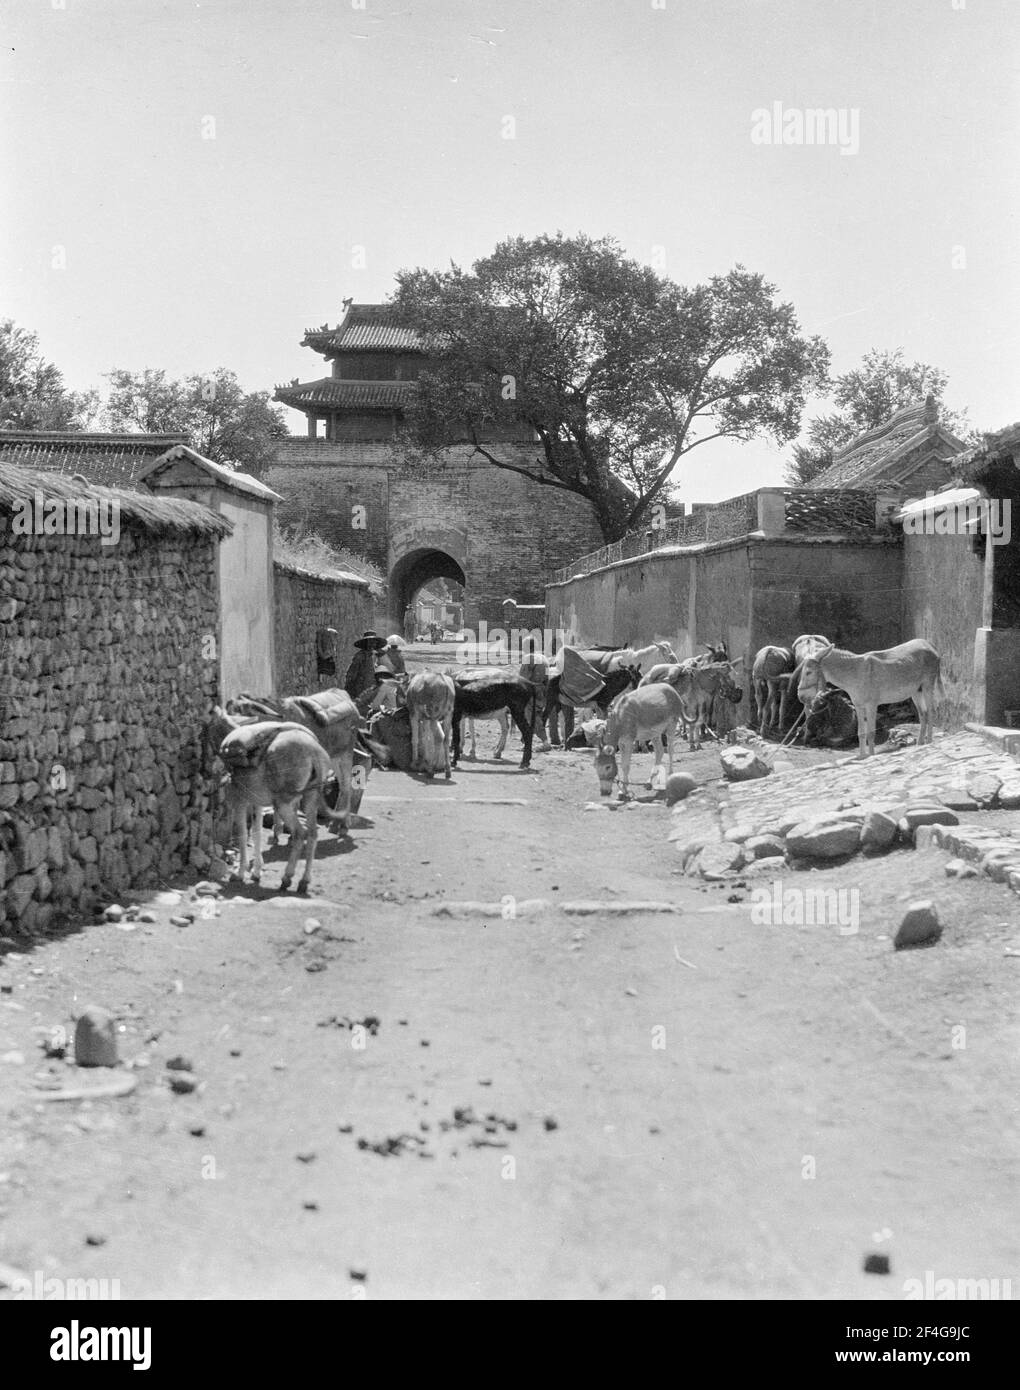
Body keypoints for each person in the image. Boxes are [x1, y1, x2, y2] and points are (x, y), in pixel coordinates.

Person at [344, 630, 387, 699]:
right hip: (360, 690)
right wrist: (349, 689)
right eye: (370, 642)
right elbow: (351, 674)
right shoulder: (360, 656)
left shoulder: (375, 655)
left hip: (372, 689)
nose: (372, 644)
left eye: (374, 642)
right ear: (365, 643)